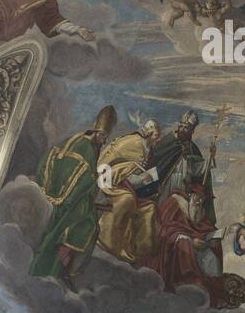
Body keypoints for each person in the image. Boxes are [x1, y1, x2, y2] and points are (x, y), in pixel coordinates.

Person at [30, 106, 118, 280]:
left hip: (50, 193)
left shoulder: (74, 139)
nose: (103, 140)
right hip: (69, 202)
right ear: (99, 133)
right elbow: (87, 179)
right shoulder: (89, 148)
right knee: (89, 224)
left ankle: (63, 266)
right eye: (103, 137)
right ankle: (62, 268)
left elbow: (53, 162)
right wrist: (93, 190)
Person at [97, 120, 163, 265]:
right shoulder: (133, 143)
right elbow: (109, 165)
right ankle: (111, 243)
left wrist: (147, 183)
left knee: (149, 208)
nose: (158, 140)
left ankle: (140, 252)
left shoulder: (148, 148)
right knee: (127, 200)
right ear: (148, 134)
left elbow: (136, 173)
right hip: (108, 181)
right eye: (156, 136)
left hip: (127, 184)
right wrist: (140, 179)